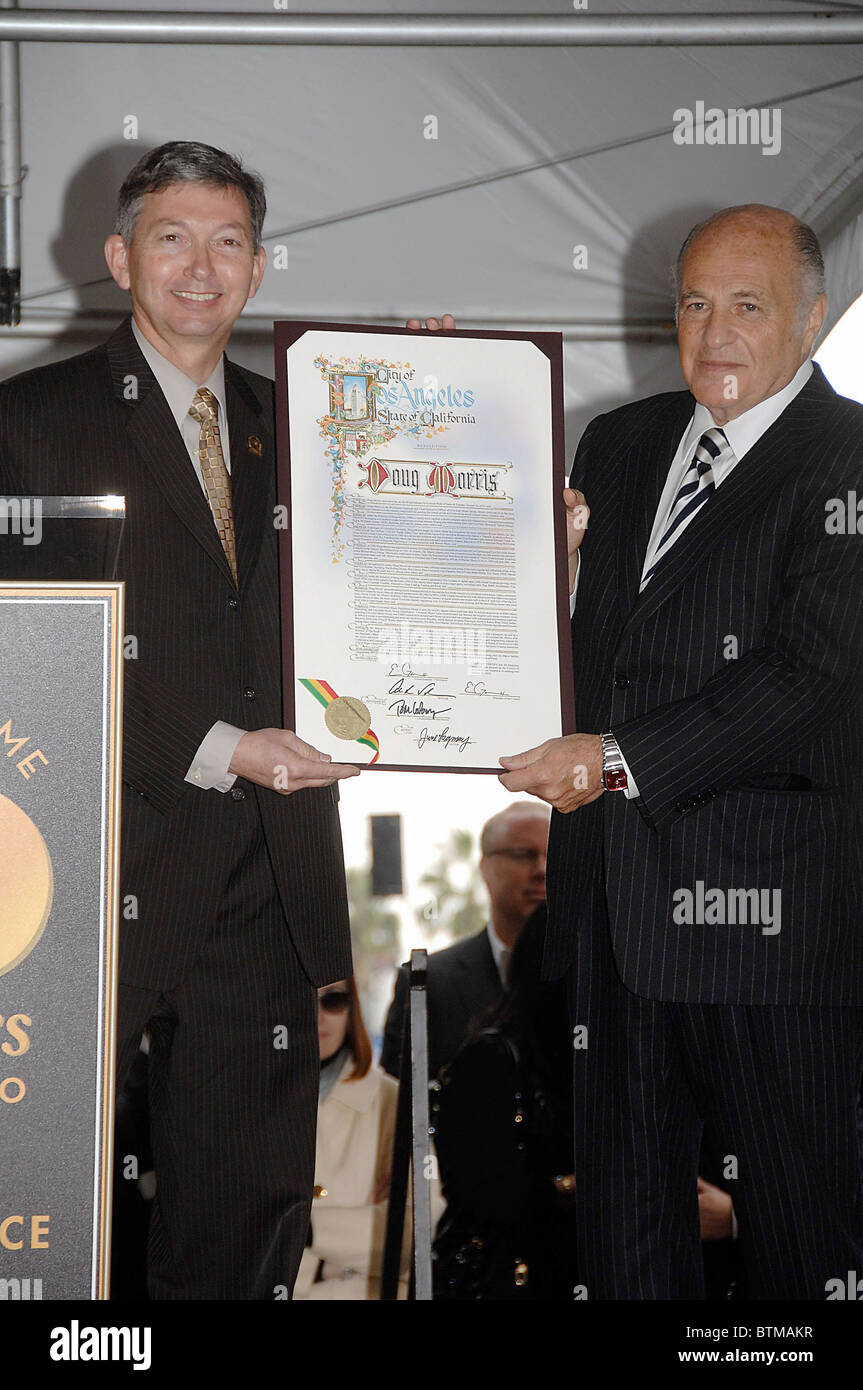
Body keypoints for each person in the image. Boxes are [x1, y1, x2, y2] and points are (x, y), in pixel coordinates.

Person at [0, 141, 362, 1299]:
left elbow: (382, 586)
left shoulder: (313, 428)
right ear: (118, 257)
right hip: (76, 866)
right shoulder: (28, 421)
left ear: (258, 265)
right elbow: (20, 647)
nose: (200, 267)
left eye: (227, 242)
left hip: (267, 869)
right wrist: (213, 747)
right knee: (44, 1202)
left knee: (245, 1212)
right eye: (172, 237)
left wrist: (470, 453)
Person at [499, 205, 863, 1299]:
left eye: (745, 306)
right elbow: (577, 646)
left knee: (806, 1235)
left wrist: (611, 759)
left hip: (772, 922)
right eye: (693, 303)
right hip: (612, 918)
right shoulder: (617, 441)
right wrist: (453, 413)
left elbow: (809, 674)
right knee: (625, 1239)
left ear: (809, 318)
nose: (712, 333)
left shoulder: (847, 459)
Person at [431, 909, 576, 1300]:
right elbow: (483, 1193)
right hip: (506, 1279)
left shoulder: (603, 1061)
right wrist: (575, 1188)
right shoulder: (490, 1059)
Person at [380, 802, 550, 1079]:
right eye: (524, 855)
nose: (542, 869)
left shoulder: (591, 977)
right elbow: (400, 1104)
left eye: (554, 854)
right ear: (485, 867)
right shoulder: (426, 983)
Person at [294, 979, 410, 1300]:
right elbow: (232, 1233)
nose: (318, 1016)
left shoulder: (392, 1100)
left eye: (333, 1000)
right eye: (303, 998)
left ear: (353, 1007)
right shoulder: (243, 1102)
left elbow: (411, 1234)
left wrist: (304, 1230)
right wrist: (324, 1267)